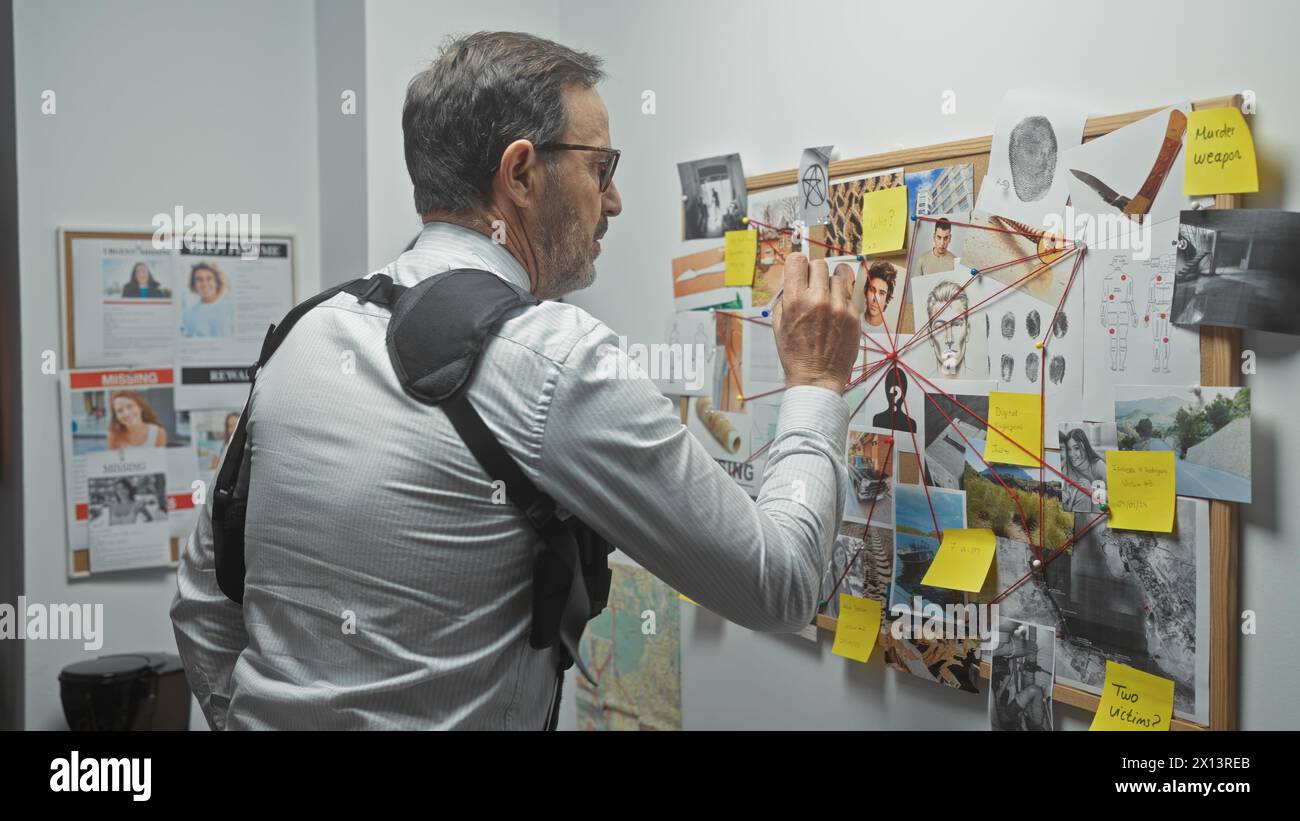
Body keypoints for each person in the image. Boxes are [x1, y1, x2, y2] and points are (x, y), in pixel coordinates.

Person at [171, 31, 860, 731]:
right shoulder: (554, 362)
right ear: (522, 174)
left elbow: (202, 602)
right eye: (601, 167)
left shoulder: (302, 337)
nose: (614, 200)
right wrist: (816, 382)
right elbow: (780, 583)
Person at [180, 262, 235, 337]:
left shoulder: (231, 308)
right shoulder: (189, 314)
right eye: (199, 279)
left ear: (217, 282)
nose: (204, 284)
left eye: (209, 278)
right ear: (194, 284)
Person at [1060, 427, 1105, 513]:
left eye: (1076, 448)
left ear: (1085, 447)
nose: (1072, 454)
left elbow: (1115, 495)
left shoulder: (1098, 466)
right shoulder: (1067, 466)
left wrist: (1092, 491)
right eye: (1069, 449)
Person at [861, 260, 896, 333]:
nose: (875, 299)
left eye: (882, 293)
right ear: (866, 291)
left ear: (887, 299)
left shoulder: (890, 334)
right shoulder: (852, 322)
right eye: (872, 290)